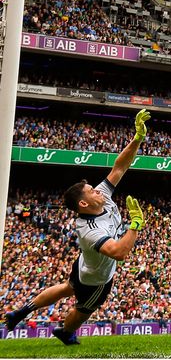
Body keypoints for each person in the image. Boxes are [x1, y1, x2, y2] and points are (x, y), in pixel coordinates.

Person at [4, 110, 151, 345]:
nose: (98, 190)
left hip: (83, 265)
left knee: (67, 287)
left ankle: (21, 312)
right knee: (83, 311)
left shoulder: (100, 197)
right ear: (83, 203)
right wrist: (135, 226)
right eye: (92, 191)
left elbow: (119, 168)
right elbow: (119, 253)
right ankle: (65, 332)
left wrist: (138, 138)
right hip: (97, 278)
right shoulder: (89, 230)